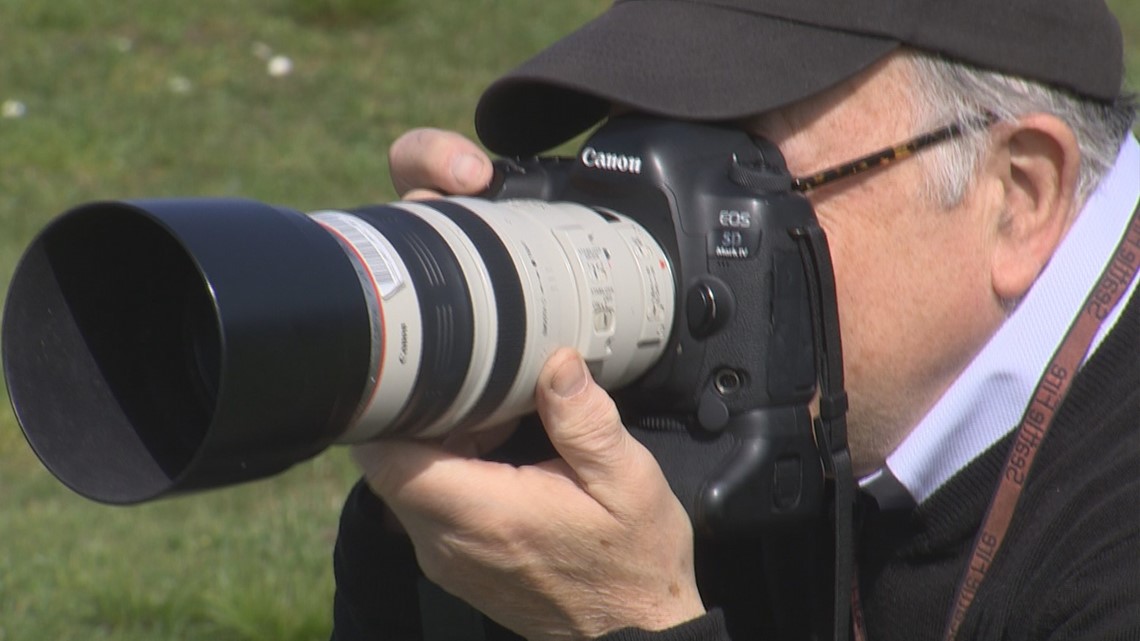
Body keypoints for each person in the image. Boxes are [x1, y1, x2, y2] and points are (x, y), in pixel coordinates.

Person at [330, 1, 1140, 639]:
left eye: (737, 176)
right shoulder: (753, 418)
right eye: (632, 145)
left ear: (1019, 195)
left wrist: (633, 622)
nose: (662, 235)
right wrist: (440, 518)